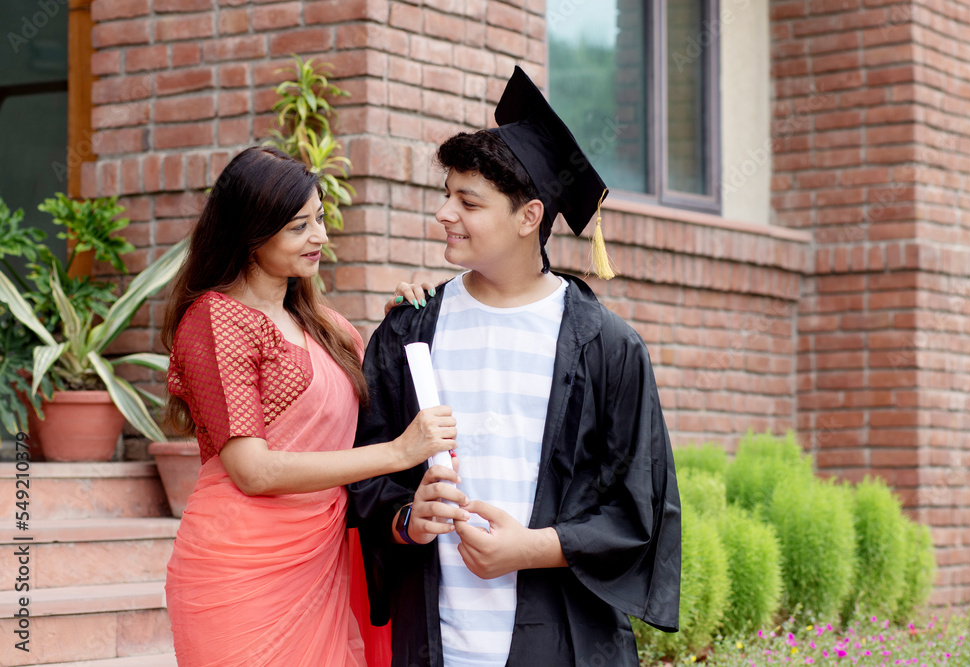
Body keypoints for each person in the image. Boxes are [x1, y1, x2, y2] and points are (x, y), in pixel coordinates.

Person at [349, 67, 681, 667]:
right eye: (446, 194)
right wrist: (408, 519)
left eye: (468, 201)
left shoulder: (605, 346)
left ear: (529, 217)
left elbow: (638, 506)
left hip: (563, 641)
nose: (443, 213)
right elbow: (368, 470)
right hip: (436, 640)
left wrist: (531, 548)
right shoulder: (410, 329)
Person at [161, 145, 457, 667]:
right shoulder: (216, 319)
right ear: (250, 233)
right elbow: (253, 471)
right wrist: (400, 451)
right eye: (299, 227)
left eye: (319, 219)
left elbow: (370, 413)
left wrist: (402, 321)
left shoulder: (327, 326)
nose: (319, 236)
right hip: (240, 569)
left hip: (323, 560)